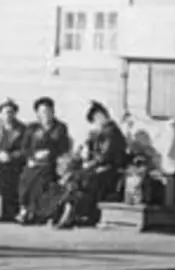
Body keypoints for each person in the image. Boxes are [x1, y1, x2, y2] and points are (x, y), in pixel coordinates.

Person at [55, 100, 130, 229]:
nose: (95, 123)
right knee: (74, 180)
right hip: (97, 169)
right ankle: (69, 211)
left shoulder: (112, 132)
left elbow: (105, 156)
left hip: (110, 170)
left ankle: (69, 212)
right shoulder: (100, 133)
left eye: (96, 119)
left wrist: (90, 163)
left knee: (78, 179)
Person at [16, 97, 71, 225]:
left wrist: (50, 154)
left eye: (48, 111)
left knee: (41, 177)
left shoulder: (60, 127)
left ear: (53, 112)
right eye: (42, 111)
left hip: (52, 163)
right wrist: (33, 157)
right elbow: (25, 148)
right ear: (37, 113)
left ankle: (35, 212)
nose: (45, 114)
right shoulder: (32, 128)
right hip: (34, 162)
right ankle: (25, 209)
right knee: (27, 176)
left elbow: (64, 147)